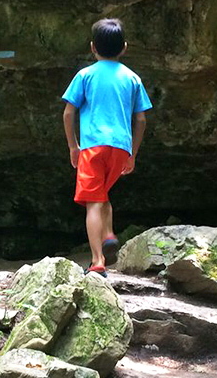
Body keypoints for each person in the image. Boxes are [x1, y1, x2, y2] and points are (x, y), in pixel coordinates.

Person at [62, 18, 152, 277]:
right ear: (124, 47)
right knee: (102, 196)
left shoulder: (85, 75)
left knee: (92, 203)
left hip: (92, 146)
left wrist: (73, 146)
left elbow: (69, 113)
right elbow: (141, 119)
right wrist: (132, 153)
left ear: (92, 47)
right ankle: (109, 234)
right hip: (120, 148)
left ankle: (97, 261)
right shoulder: (132, 78)